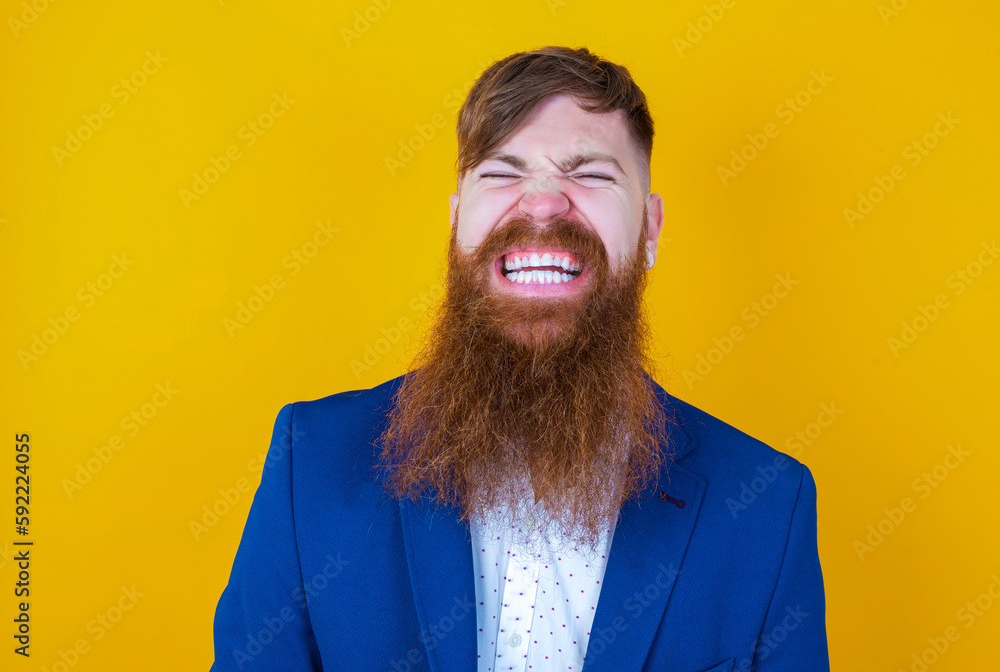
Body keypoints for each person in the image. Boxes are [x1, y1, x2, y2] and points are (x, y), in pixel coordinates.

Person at [209, 46, 830, 672]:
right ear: (456, 223)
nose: (542, 204)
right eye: (502, 172)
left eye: (590, 175)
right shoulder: (310, 465)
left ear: (650, 229)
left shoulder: (768, 508)